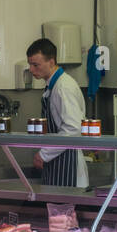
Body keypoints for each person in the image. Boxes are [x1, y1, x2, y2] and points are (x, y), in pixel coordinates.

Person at [26, 37, 88, 189]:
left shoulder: (63, 88)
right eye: (30, 64)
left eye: (36, 65)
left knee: (64, 212)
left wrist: (44, 154)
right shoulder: (52, 87)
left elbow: (74, 129)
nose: (31, 70)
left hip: (69, 167)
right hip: (57, 164)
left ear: (51, 62)